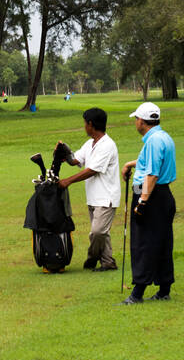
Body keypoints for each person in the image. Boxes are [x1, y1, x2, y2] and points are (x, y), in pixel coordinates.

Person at [120, 102, 176, 304]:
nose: (135, 122)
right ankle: (164, 289)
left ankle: (137, 294)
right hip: (163, 196)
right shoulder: (163, 137)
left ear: (142, 121)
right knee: (162, 242)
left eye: (136, 119)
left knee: (144, 244)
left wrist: (142, 201)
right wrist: (130, 163)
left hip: (151, 196)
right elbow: (151, 162)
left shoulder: (152, 142)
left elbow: (152, 174)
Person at [59, 107, 120, 271]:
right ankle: (108, 262)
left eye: (85, 123)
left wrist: (67, 181)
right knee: (103, 233)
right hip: (93, 196)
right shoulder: (89, 144)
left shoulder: (107, 145)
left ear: (91, 124)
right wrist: (64, 153)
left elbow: (91, 170)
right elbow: (75, 160)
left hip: (106, 197)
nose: (84, 126)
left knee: (97, 232)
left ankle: (92, 258)